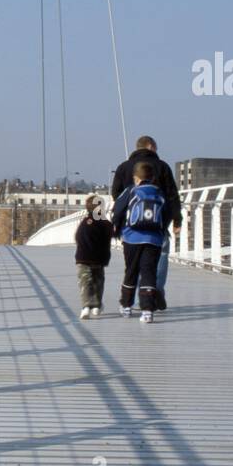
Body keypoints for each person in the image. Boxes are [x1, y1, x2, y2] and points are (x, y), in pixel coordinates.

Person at [110, 135, 182, 311]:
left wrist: (119, 221)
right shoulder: (163, 166)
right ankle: (155, 293)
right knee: (159, 259)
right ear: (151, 147)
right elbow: (172, 195)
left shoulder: (123, 167)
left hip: (131, 229)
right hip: (157, 226)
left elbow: (116, 194)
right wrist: (176, 219)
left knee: (132, 266)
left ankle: (128, 302)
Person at [111, 162, 166, 324]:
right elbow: (167, 213)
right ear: (152, 178)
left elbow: (118, 211)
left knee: (131, 271)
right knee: (149, 273)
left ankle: (126, 306)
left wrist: (117, 229)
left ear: (136, 178)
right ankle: (147, 311)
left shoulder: (131, 191)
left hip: (132, 238)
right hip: (154, 240)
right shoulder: (159, 192)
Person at [74, 194, 114, 319]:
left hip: (83, 257)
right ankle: (96, 305)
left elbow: (77, 237)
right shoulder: (106, 223)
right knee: (98, 281)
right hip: (99, 259)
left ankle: (86, 306)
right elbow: (113, 234)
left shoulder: (85, 222)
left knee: (85, 281)